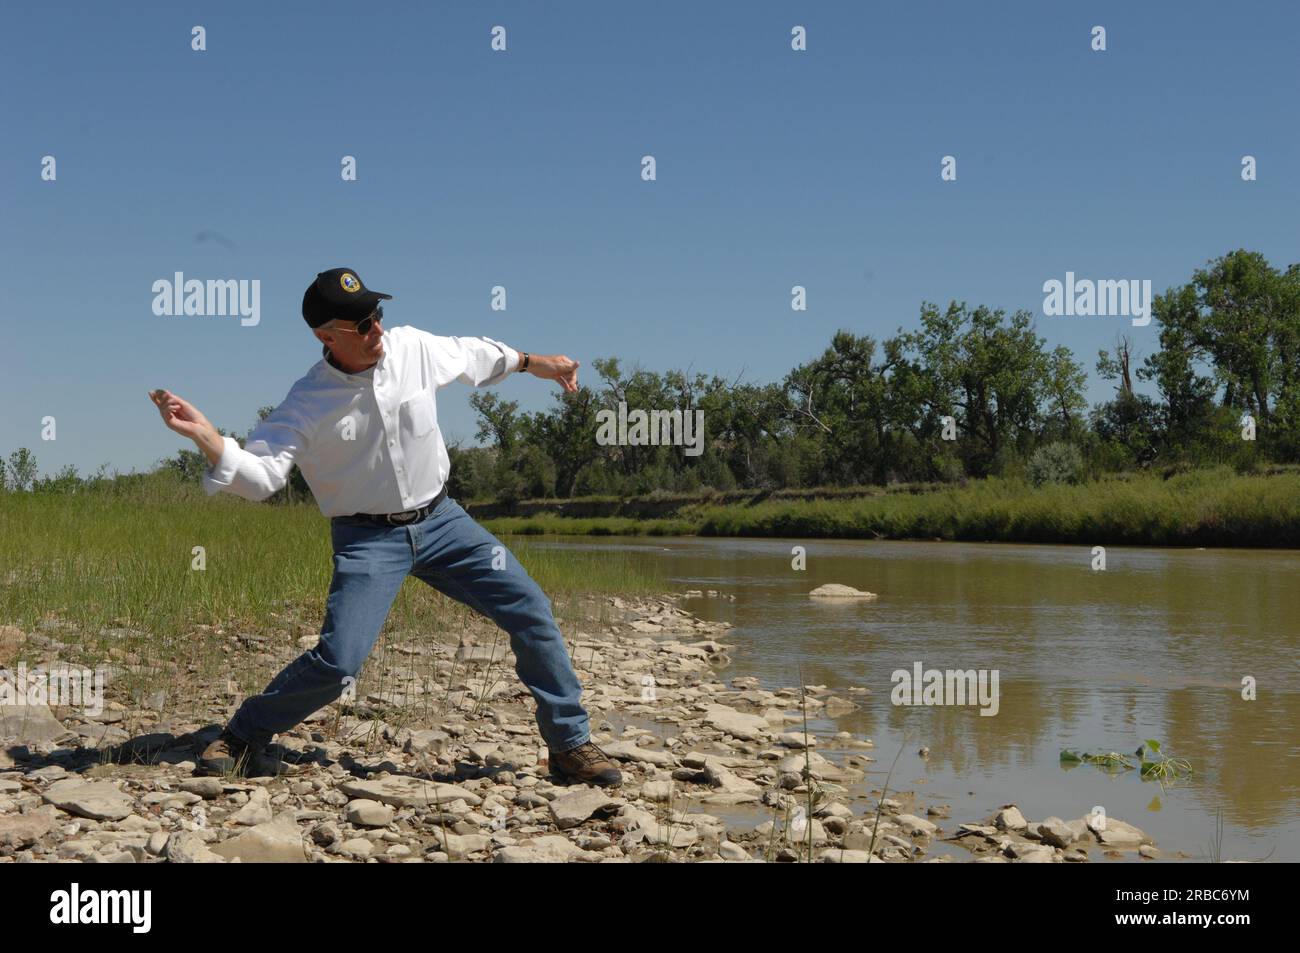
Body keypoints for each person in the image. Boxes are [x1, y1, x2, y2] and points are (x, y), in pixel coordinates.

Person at [148, 267, 621, 787]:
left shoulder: (412, 347)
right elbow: (262, 477)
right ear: (327, 336)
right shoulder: (308, 401)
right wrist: (209, 438)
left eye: (377, 315)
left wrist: (536, 363)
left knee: (530, 609)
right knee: (339, 663)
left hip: (444, 522)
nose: (376, 329)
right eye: (361, 324)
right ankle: (243, 733)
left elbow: (475, 355)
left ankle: (569, 743)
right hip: (368, 538)